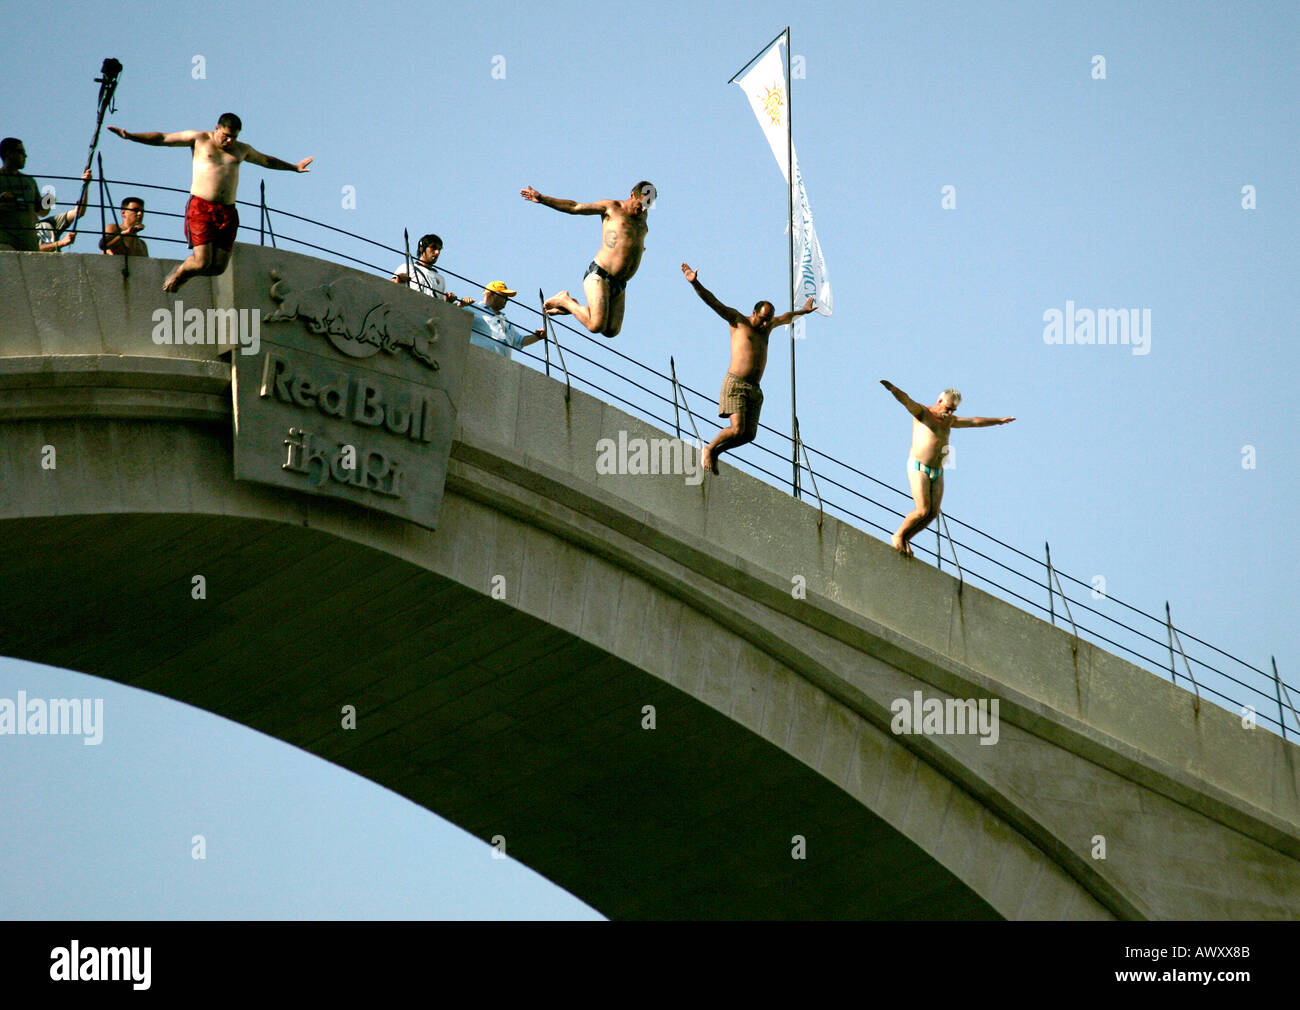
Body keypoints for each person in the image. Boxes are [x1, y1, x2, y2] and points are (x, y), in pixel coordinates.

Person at [108, 112, 312, 291]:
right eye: (226, 135)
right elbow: (163, 138)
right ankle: (180, 273)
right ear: (217, 128)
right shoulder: (199, 139)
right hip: (201, 207)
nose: (229, 141)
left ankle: (188, 271)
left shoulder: (242, 150)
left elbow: (267, 160)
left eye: (234, 137)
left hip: (228, 211)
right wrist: (131, 136)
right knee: (201, 262)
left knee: (218, 268)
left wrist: (294, 167)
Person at [681, 262, 816, 475]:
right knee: (736, 429)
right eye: (763, 319)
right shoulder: (737, 321)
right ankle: (708, 448)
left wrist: (804, 312)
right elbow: (713, 301)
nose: (765, 325)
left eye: (768, 320)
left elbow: (786, 318)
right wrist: (695, 282)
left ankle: (716, 452)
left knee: (748, 435)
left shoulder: (769, 326)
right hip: (736, 383)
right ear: (754, 312)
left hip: (755, 388)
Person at [879, 380, 1015, 557]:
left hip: (938, 471)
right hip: (918, 467)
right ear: (940, 401)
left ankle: (906, 538)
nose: (950, 413)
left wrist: (998, 421)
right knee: (922, 510)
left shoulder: (949, 420)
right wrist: (893, 389)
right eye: (948, 408)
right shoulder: (923, 412)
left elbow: (974, 421)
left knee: (932, 513)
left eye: (953, 411)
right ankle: (897, 535)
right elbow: (907, 401)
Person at [520, 180, 654, 338]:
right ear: (632, 195)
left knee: (611, 331)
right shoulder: (612, 207)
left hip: (620, 283)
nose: (644, 208)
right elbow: (574, 207)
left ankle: (573, 308)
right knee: (596, 325)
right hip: (601, 275)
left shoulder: (642, 217)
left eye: (649, 204)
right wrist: (542, 198)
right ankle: (566, 301)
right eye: (642, 203)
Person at [465, 281, 544, 360]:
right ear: (491, 294)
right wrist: (458, 304)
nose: (507, 300)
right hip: (478, 359)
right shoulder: (472, 307)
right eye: (504, 296)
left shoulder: (504, 320)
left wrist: (537, 336)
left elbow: (519, 341)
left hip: (501, 367)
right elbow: (454, 314)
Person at [392, 233, 469, 304]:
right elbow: (390, 288)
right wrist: (399, 280)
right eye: (433, 247)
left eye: (439, 249)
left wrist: (450, 301)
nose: (437, 252)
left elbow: (441, 307)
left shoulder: (440, 278)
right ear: (421, 249)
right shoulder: (407, 267)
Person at [0, 138, 48, 252]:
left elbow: (42, 211)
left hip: (28, 243)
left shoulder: (29, 181)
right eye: (21, 152)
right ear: (9, 153)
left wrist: (48, 201)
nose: (25, 156)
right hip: (4, 240)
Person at [36, 169, 92, 252]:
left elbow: (78, 212)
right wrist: (61, 243)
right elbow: (29, 250)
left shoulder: (49, 224)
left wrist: (85, 185)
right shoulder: (19, 228)